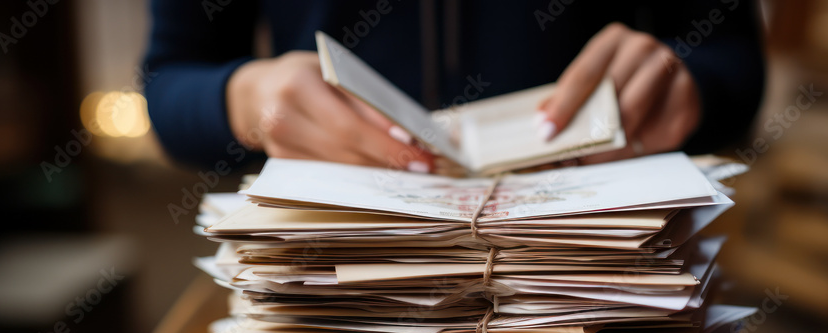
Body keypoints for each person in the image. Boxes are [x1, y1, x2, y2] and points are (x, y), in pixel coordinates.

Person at [143, 1, 764, 171]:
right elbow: (170, 83)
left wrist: (687, 85)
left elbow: (734, 59)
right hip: (332, 277)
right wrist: (245, 98)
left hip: (589, 281)